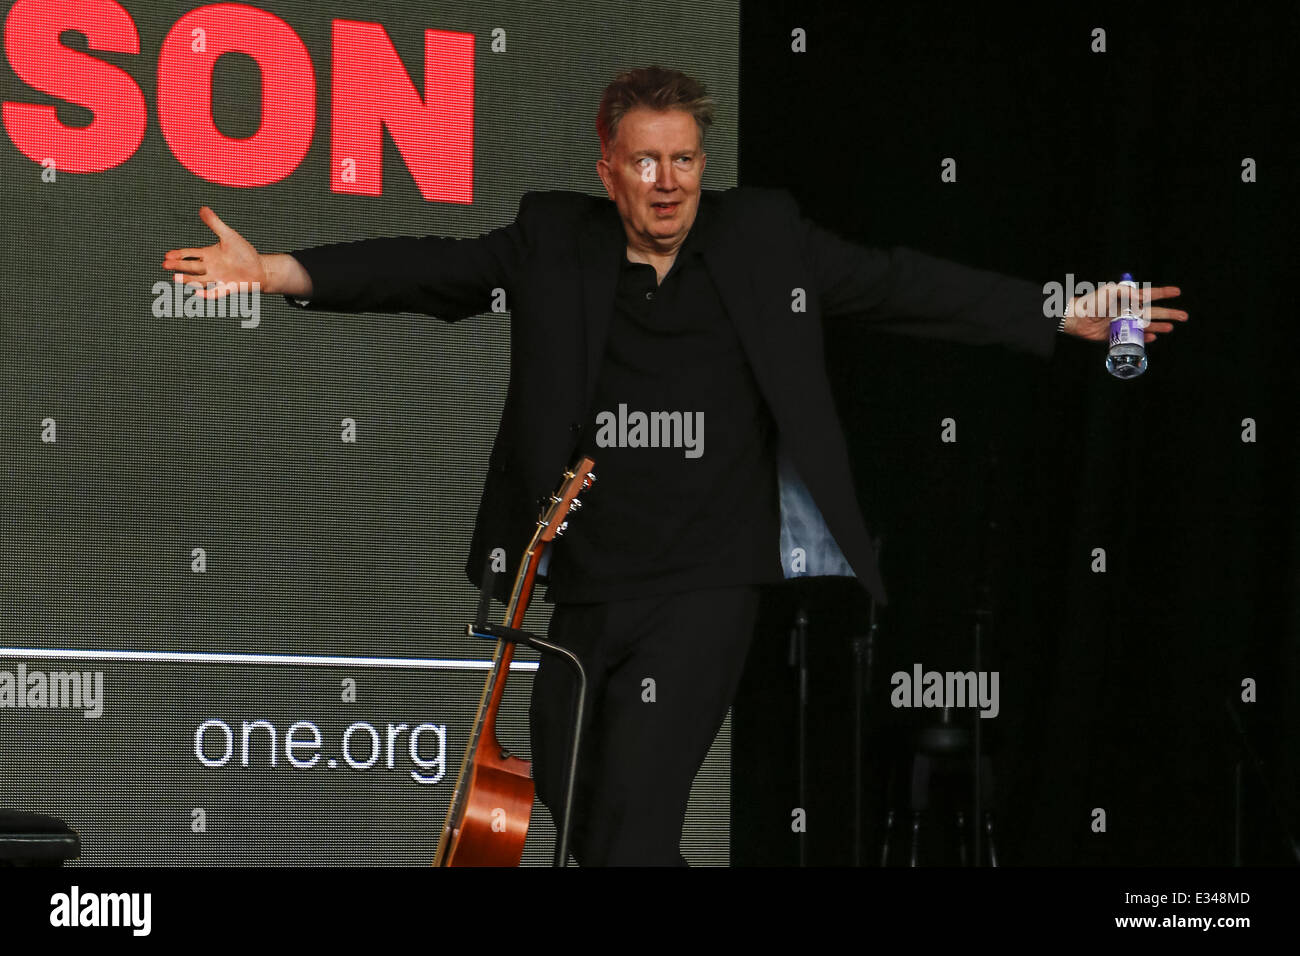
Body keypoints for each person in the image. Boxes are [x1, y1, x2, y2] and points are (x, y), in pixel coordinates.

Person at [161, 65, 1188, 866]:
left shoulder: (763, 238)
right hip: (582, 590)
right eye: (646, 162)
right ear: (609, 166)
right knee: (589, 824)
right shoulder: (552, 237)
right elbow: (429, 267)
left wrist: (1057, 308)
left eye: (685, 160)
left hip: (705, 585)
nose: (668, 184)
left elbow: (898, 284)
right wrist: (275, 270)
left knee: (633, 815)